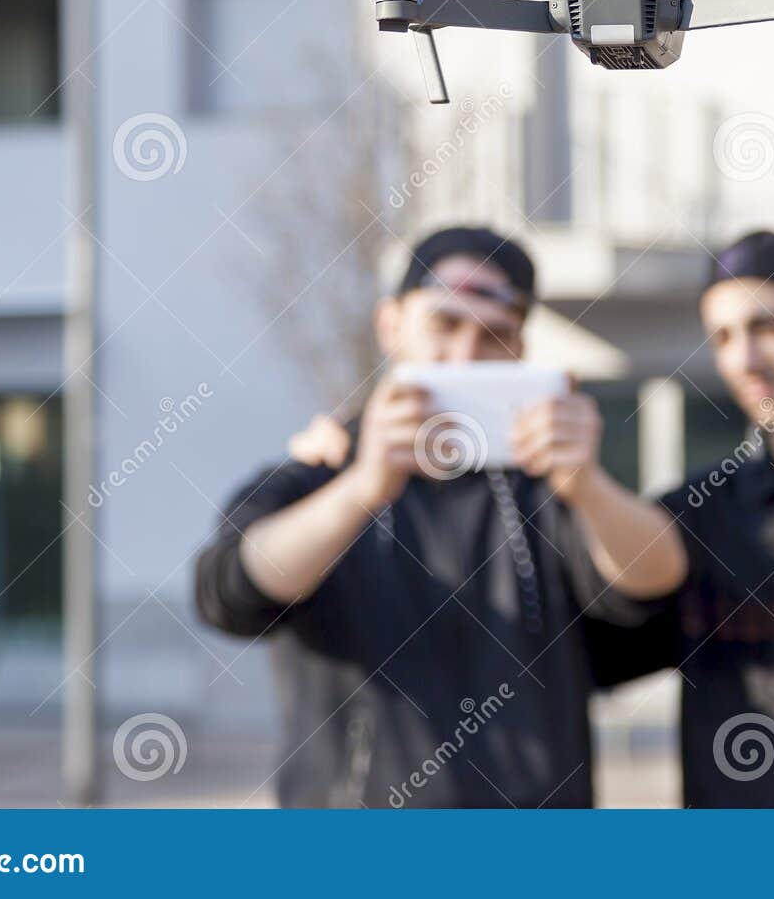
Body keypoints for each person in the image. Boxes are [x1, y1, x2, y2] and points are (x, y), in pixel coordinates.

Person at [290, 230, 774, 807]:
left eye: (768, 324)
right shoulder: (698, 513)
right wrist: (352, 453)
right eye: (722, 336)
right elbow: (551, 649)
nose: (744, 356)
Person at [193, 225, 687, 808]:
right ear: (391, 326)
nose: (465, 356)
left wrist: (589, 484)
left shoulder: (551, 489)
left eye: (494, 336)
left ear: (521, 351)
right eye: (444, 325)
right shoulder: (319, 474)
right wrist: (363, 487)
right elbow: (229, 592)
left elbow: (658, 587)